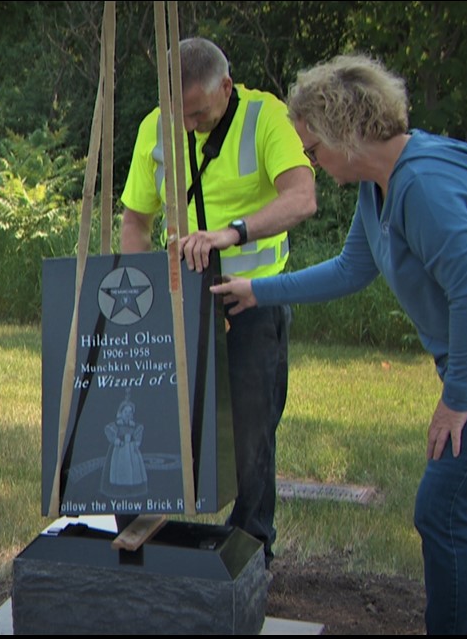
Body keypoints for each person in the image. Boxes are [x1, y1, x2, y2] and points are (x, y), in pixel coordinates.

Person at [209, 54, 467, 634]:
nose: (311, 160)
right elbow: (349, 270)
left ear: (346, 131)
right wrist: (258, 291)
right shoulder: (378, 186)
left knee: (442, 507)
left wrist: (457, 399)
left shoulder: (426, 188)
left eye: (313, 148)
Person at [119, 37, 317, 569]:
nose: (186, 126)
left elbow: (302, 197)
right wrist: (138, 297)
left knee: (252, 429)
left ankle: (251, 547)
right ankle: (145, 536)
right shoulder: (155, 127)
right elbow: (136, 221)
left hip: (253, 301)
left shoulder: (265, 117)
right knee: (155, 415)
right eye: (177, 114)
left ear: (226, 88)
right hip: (180, 304)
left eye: (199, 113)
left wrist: (232, 234)